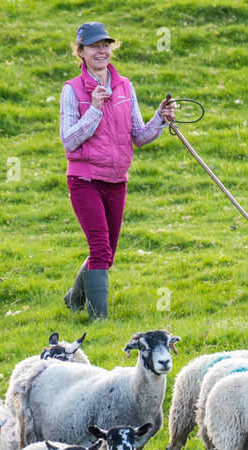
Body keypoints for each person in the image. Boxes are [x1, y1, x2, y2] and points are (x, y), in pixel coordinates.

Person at [59, 22, 175, 320]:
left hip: (116, 180)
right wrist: (95, 109)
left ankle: (73, 300)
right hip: (85, 180)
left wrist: (159, 119)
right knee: (99, 249)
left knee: (107, 254)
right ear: (81, 52)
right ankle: (100, 321)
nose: (102, 50)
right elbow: (69, 139)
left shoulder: (125, 86)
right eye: (95, 46)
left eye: (106, 45)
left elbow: (138, 135)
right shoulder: (72, 90)